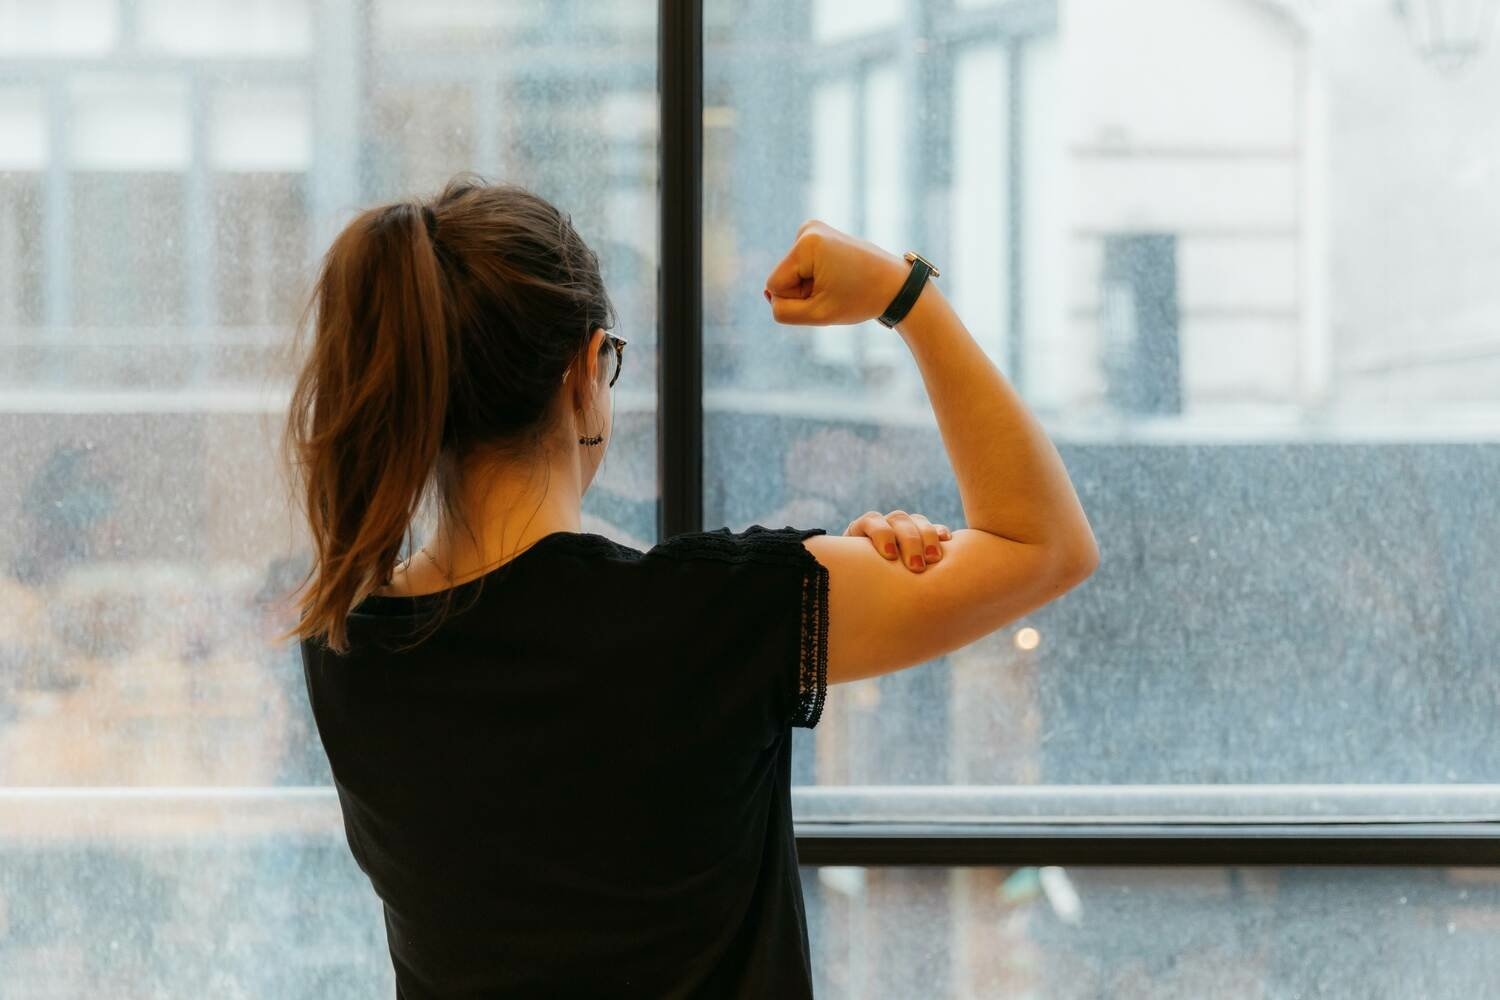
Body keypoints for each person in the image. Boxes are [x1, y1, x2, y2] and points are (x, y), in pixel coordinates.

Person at [279, 174, 1098, 998]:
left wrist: (803, 575)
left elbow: (538, 628)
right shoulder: (719, 616)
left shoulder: (347, 644)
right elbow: (1046, 544)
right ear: (585, 373)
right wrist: (906, 294)